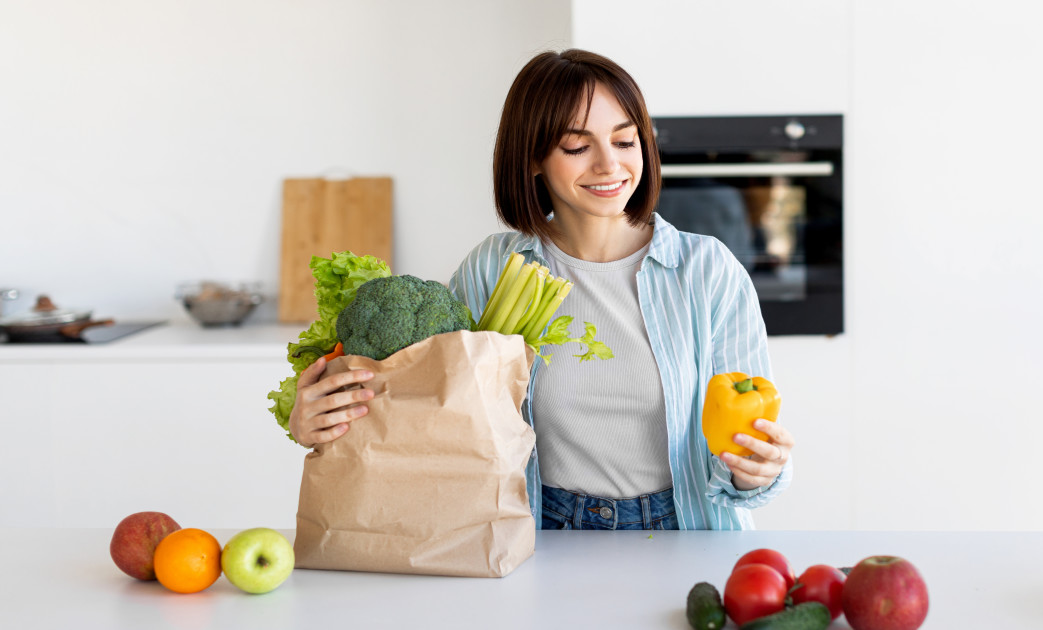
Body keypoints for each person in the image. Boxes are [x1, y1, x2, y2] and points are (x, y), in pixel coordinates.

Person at [288, 48, 793, 531]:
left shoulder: (707, 271)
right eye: (577, 146)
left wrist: (756, 471)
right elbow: (424, 414)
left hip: (684, 526)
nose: (609, 165)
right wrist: (319, 422)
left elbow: (750, 452)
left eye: (625, 140)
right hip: (535, 529)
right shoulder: (495, 268)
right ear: (532, 159)